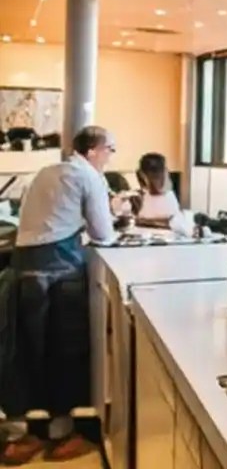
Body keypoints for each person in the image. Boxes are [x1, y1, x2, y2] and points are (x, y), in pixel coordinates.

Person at [0, 126, 121, 463]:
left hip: (23, 272)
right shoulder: (89, 177)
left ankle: (32, 432)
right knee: (66, 353)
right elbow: (104, 234)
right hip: (58, 273)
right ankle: (70, 432)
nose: (112, 155)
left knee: (26, 354)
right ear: (94, 150)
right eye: (110, 148)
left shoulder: (47, 170)